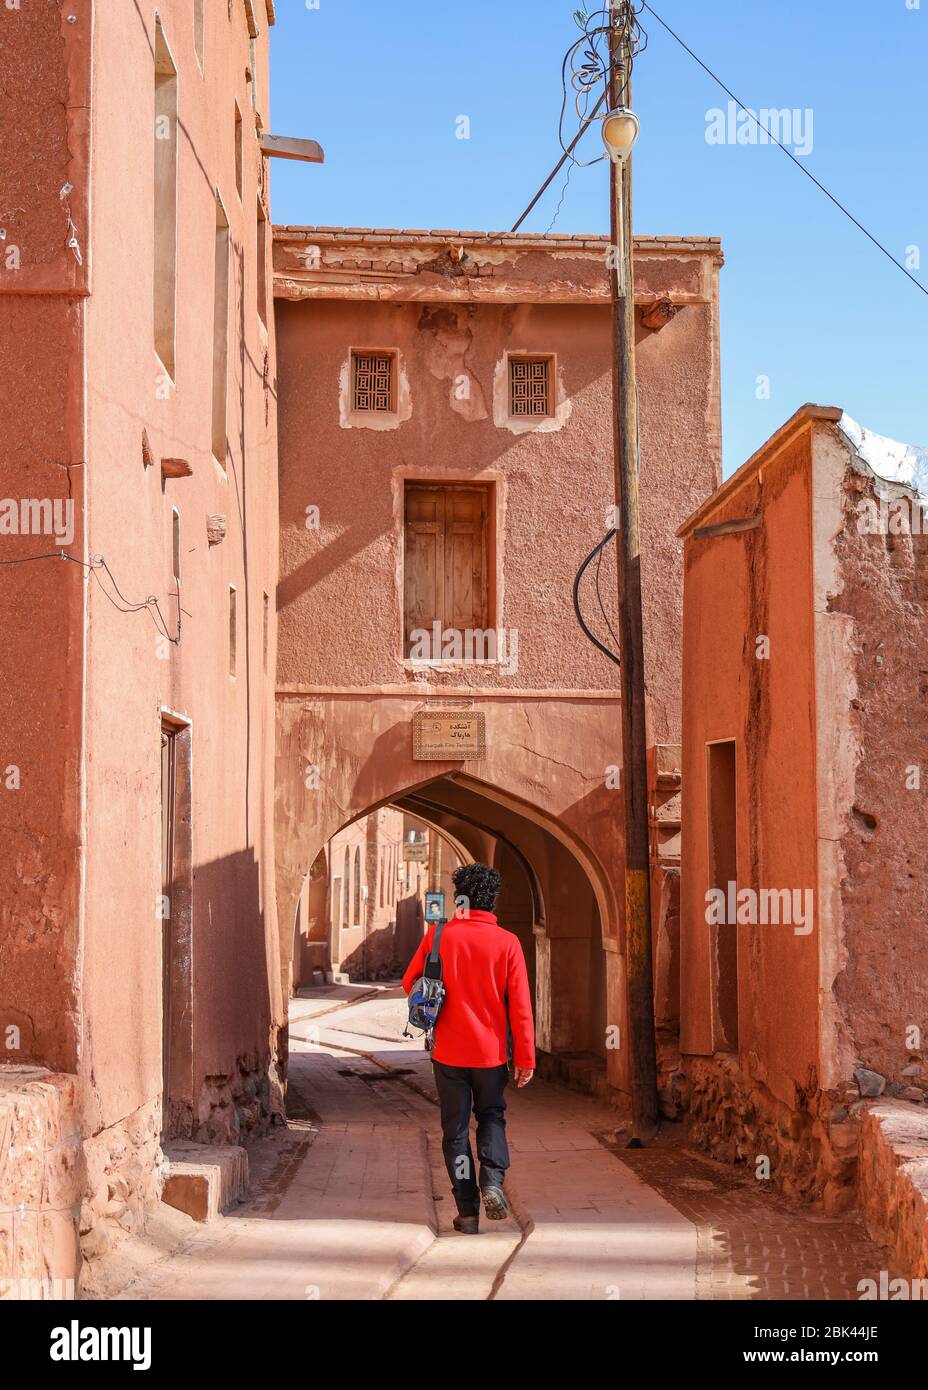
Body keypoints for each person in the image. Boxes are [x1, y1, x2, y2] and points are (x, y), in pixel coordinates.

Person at [402, 862, 535, 1234]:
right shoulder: (508, 942)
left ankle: (468, 1210)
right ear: (493, 901)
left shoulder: (439, 936)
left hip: (448, 1053)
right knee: (491, 1116)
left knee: (455, 1130)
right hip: (491, 1054)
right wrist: (525, 1058)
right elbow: (520, 1007)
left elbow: (408, 981)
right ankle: (492, 1181)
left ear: (460, 897)